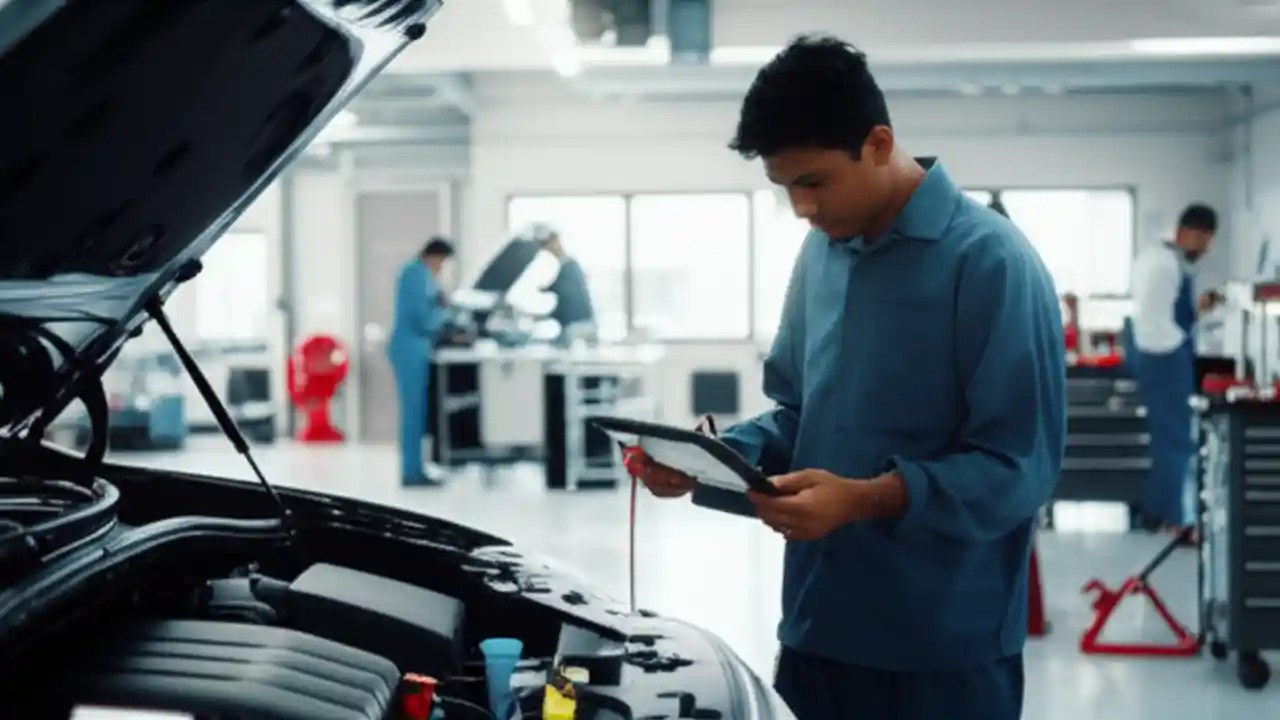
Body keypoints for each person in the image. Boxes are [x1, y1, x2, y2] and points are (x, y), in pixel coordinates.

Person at [630, 35, 1065, 720]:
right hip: (818, 631)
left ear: (879, 143)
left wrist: (865, 498)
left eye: (814, 182)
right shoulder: (822, 253)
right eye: (785, 189)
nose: (802, 208)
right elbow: (802, 415)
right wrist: (714, 463)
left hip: (943, 652)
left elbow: (1019, 470)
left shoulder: (992, 264)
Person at [1124, 204, 1219, 536]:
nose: (1205, 250)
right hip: (1164, 357)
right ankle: (1172, 520)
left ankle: (1161, 513)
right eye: (1205, 242)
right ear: (1193, 233)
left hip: (1153, 355)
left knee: (1169, 441)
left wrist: (1195, 312)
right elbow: (1161, 323)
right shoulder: (1165, 264)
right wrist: (1179, 346)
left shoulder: (1153, 257)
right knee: (1176, 442)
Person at [387, 236, 455, 487]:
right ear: (434, 256)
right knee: (413, 413)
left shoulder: (418, 274)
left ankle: (416, 468)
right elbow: (422, 318)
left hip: (415, 347)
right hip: (409, 348)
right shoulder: (415, 274)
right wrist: (445, 314)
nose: (442, 268)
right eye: (442, 262)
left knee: (417, 412)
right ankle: (411, 472)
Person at [534, 225, 596, 340]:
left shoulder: (567, 267)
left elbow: (563, 294)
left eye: (545, 245)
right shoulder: (570, 265)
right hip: (584, 323)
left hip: (576, 325)